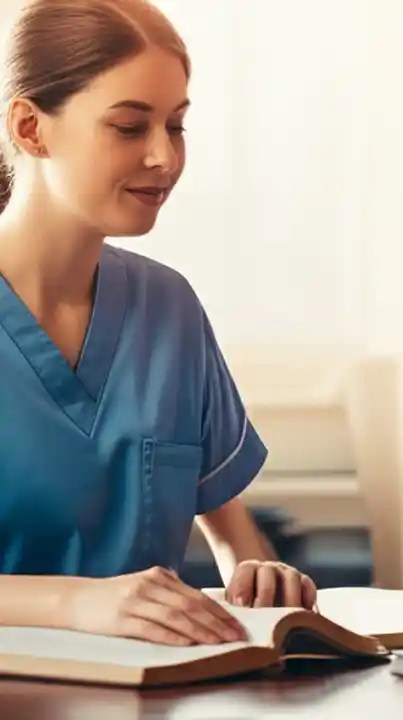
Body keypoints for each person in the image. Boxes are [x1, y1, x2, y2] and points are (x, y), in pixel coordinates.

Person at [0, 0, 316, 647]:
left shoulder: (169, 308)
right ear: (31, 128)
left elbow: (239, 548)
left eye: (175, 126)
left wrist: (258, 574)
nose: (163, 158)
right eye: (128, 127)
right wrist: (77, 605)